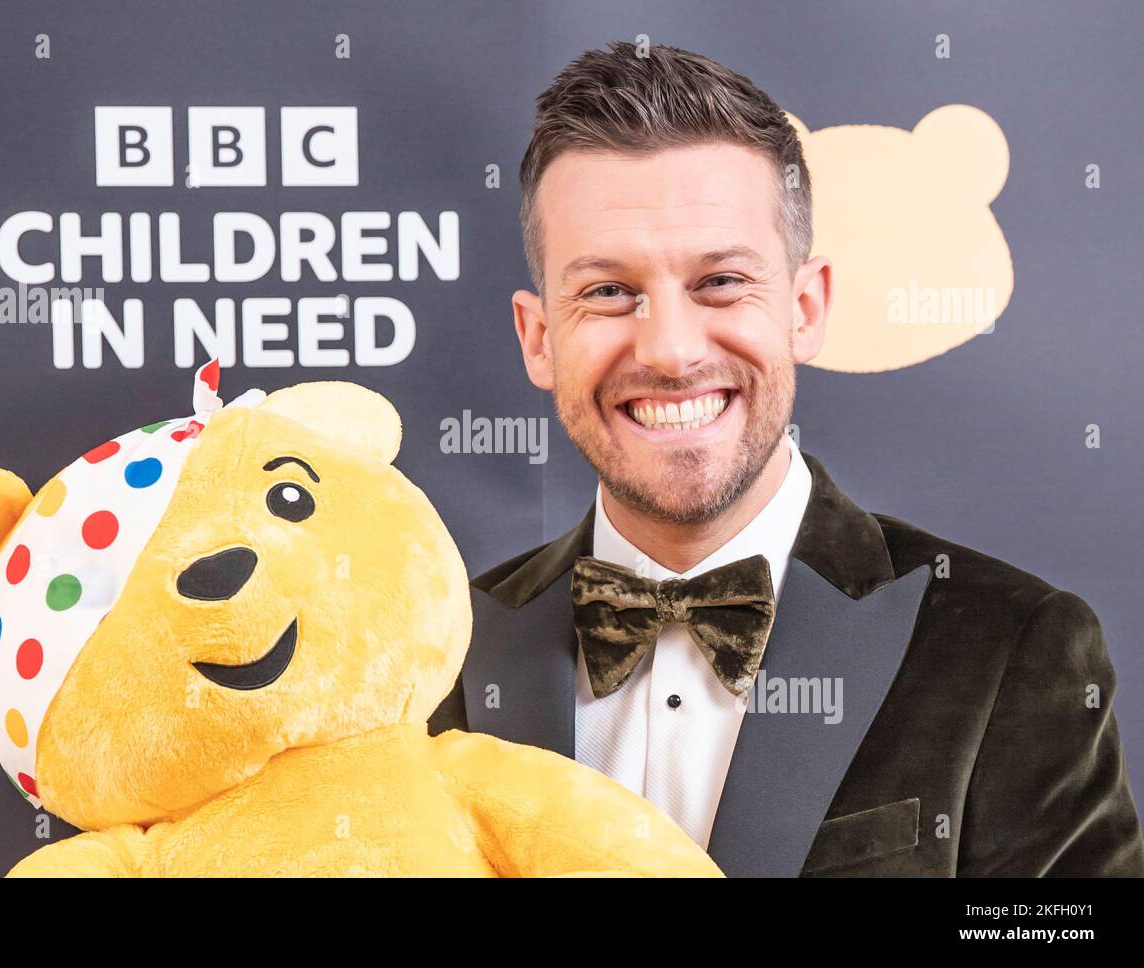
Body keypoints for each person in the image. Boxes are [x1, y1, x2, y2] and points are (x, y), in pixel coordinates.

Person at [428, 41, 1144, 876]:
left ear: (805, 308)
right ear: (539, 337)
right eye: (608, 292)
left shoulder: (1011, 646)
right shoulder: (434, 657)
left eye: (721, 282)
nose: (668, 350)